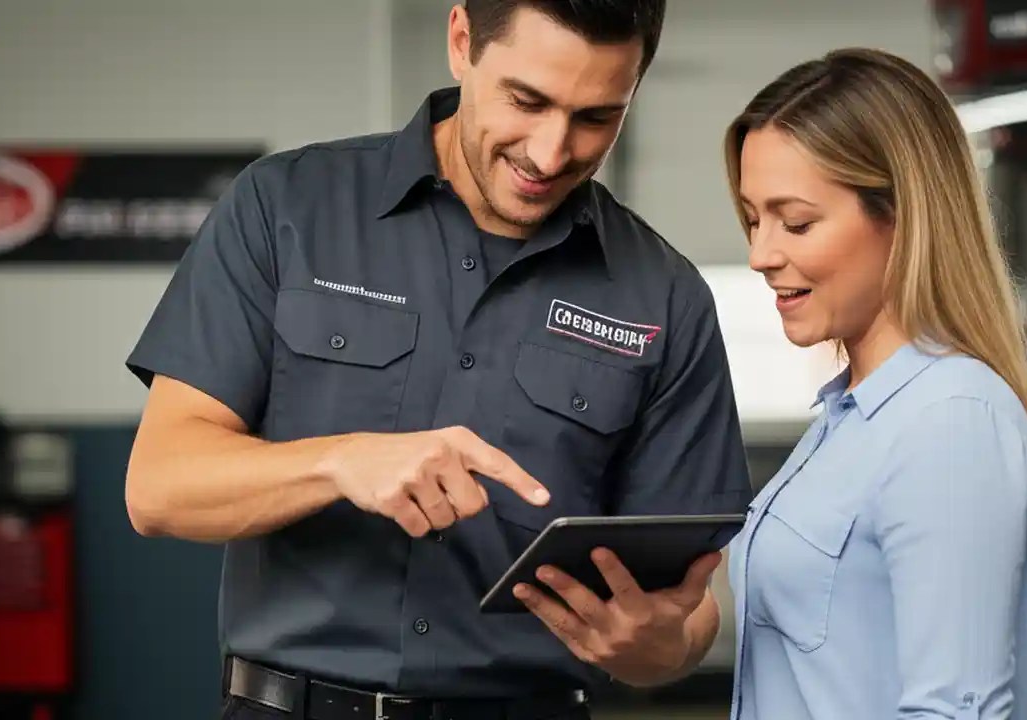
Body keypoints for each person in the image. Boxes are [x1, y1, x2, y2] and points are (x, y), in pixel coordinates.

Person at [122, 2, 754, 718]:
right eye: (527, 101)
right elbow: (160, 488)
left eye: (595, 118)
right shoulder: (285, 209)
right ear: (461, 41)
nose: (550, 154)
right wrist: (341, 461)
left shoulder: (666, 297)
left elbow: (688, 614)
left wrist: (654, 645)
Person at [721, 48, 1027, 720]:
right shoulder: (848, 421)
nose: (761, 254)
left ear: (903, 216)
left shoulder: (950, 422)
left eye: (795, 222)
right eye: (753, 218)